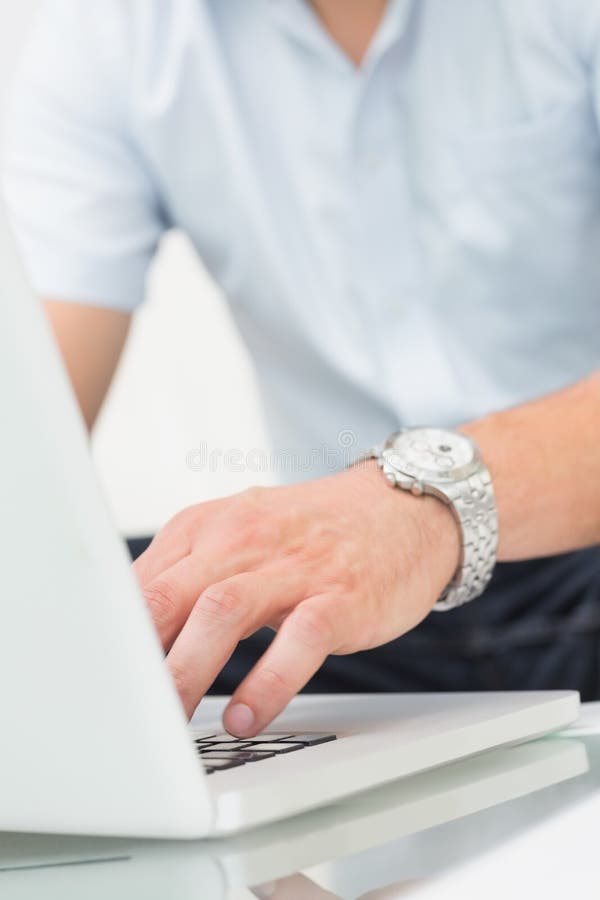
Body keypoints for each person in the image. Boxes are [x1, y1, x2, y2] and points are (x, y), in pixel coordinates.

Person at [3, 0, 600, 739]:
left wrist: (412, 510)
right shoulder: (112, 30)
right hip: (334, 609)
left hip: (574, 551)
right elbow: (29, 430)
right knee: (96, 614)